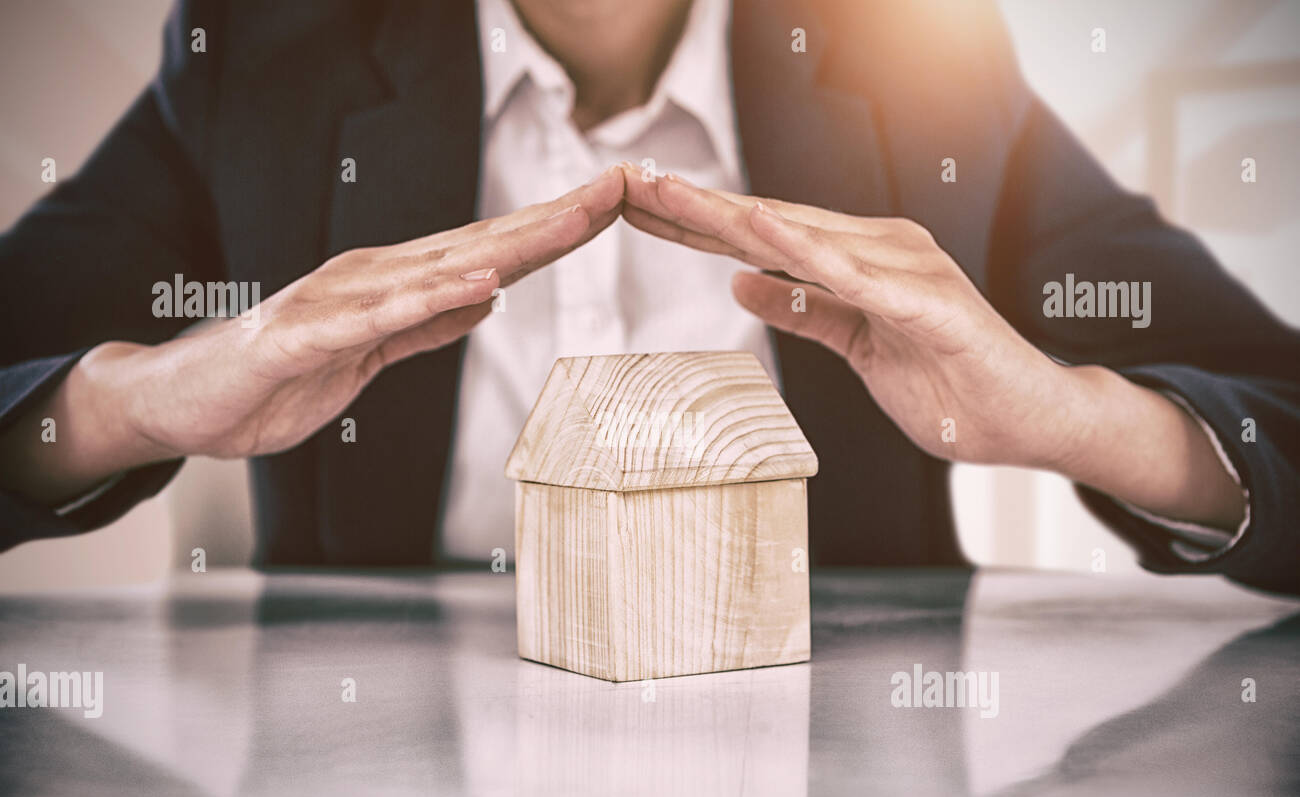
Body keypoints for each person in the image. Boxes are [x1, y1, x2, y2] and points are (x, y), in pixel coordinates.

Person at [1, 0, 1296, 593]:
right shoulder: (261, 48)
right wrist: (143, 401)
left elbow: (1277, 407)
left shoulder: (928, 56)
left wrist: (1071, 419)